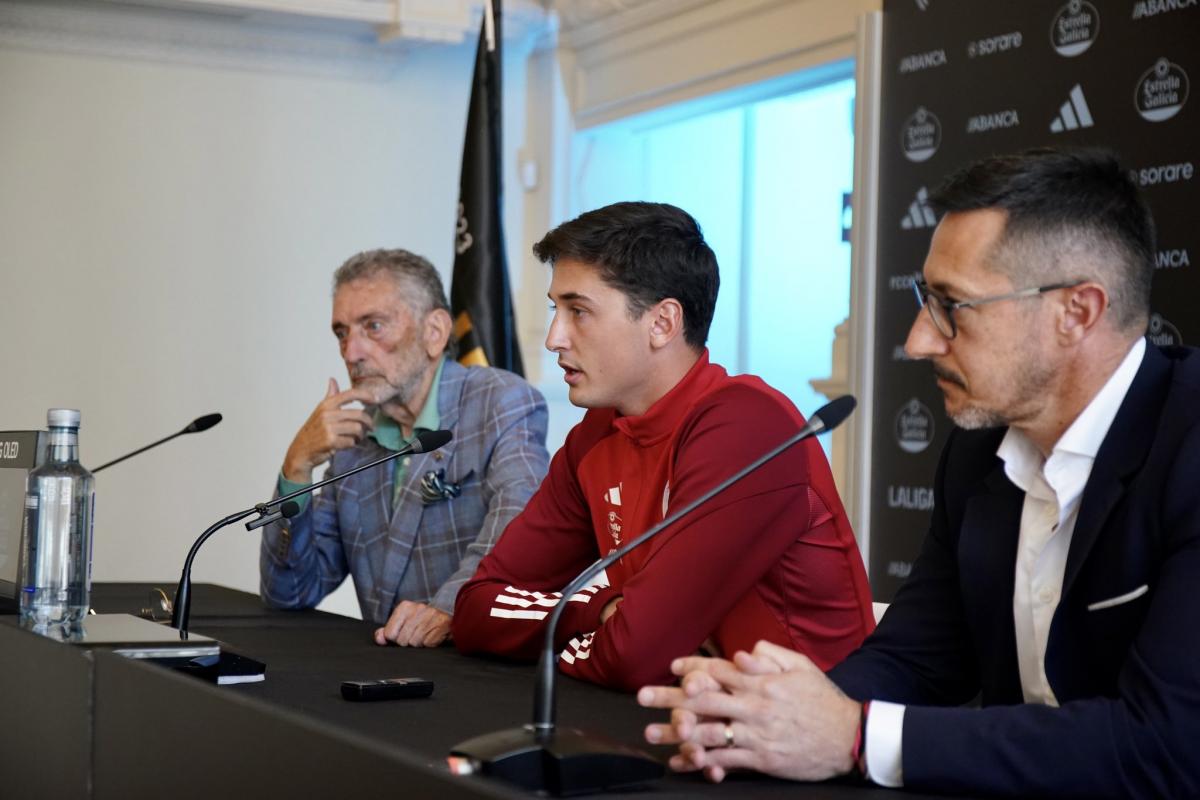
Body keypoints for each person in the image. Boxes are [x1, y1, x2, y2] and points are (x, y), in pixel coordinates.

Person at [638, 148, 1200, 798]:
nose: (919, 340)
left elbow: (1165, 747)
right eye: (924, 299)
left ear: (1076, 313)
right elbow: (919, 656)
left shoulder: (1188, 448)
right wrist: (772, 714)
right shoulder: (976, 452)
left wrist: (855, 734)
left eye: (952, 306)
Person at [451, 202, 874, 691]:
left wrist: (568, 635)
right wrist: (598, 608)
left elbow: (636, 656)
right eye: (555, 310)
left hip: (804, 744)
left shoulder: (748, 426)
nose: (553, 338)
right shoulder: (598, 432)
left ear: (662, 323)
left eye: (578, 311)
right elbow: (478, 608)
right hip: (687, 724)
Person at [260, 249, 550, 648]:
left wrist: (449, 607)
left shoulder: (500, 402)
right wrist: (296, 468)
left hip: (476, 669)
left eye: (373, 326)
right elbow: (289, 592)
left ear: (434, 332)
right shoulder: (354, 440)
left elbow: (518, 530)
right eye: (342, 333)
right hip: (386, 677)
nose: (351, 353)